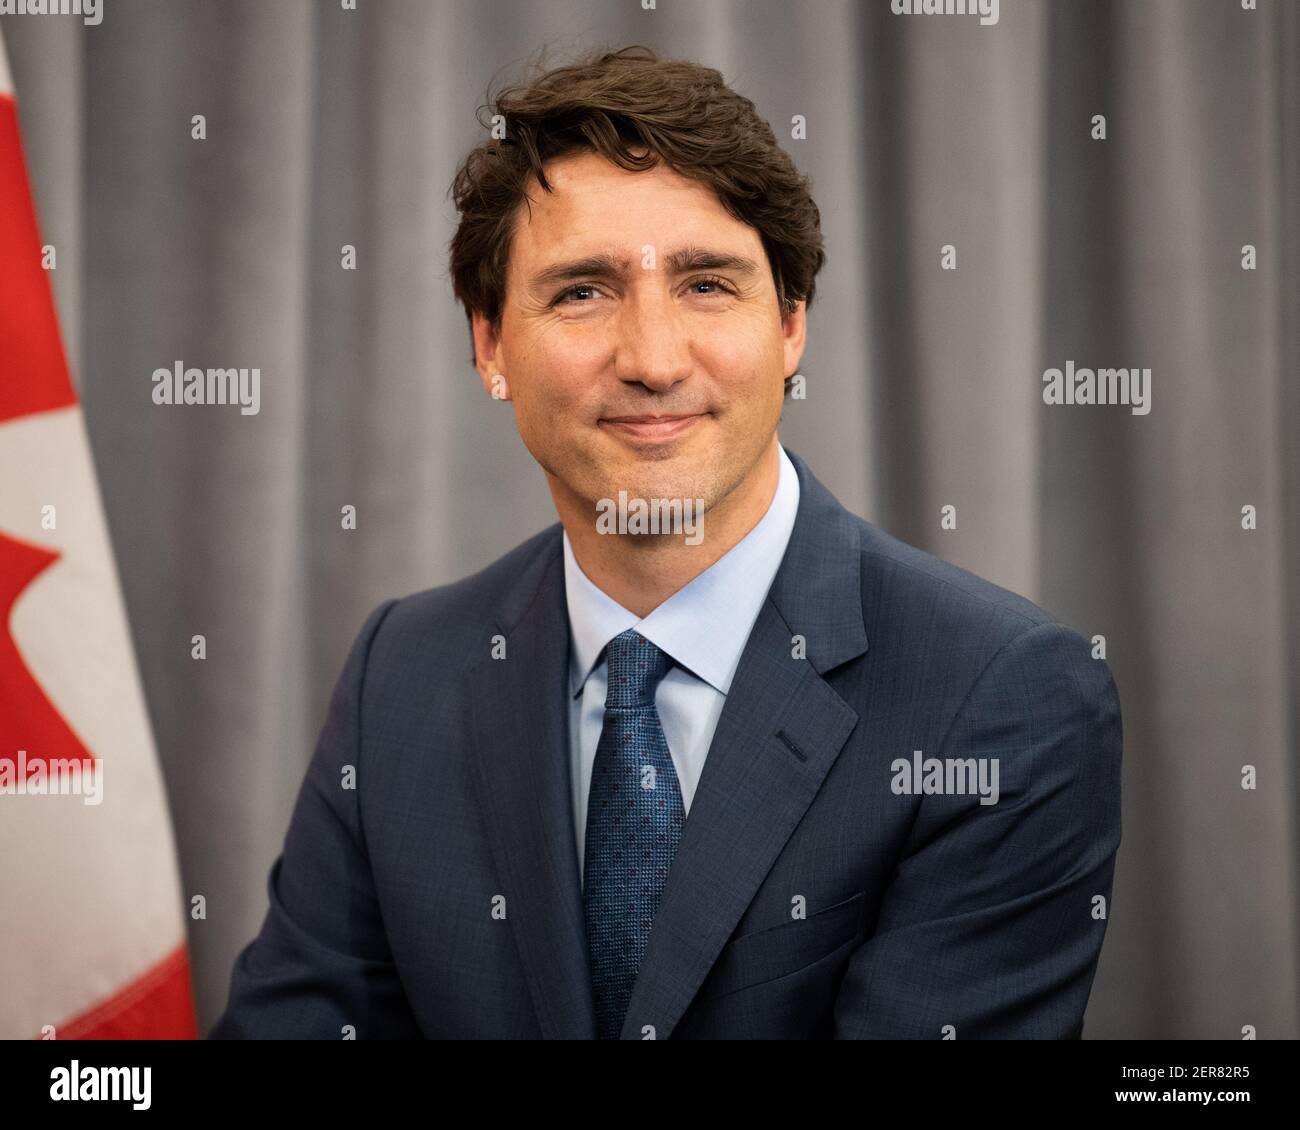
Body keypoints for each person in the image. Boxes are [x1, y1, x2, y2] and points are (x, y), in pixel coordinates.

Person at [211, 45, 1121, 1040]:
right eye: (581, 291)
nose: (650, 359)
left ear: (789, 325)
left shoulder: (998, 697)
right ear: (487, 344)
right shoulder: (402, 674)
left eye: (705, 284)